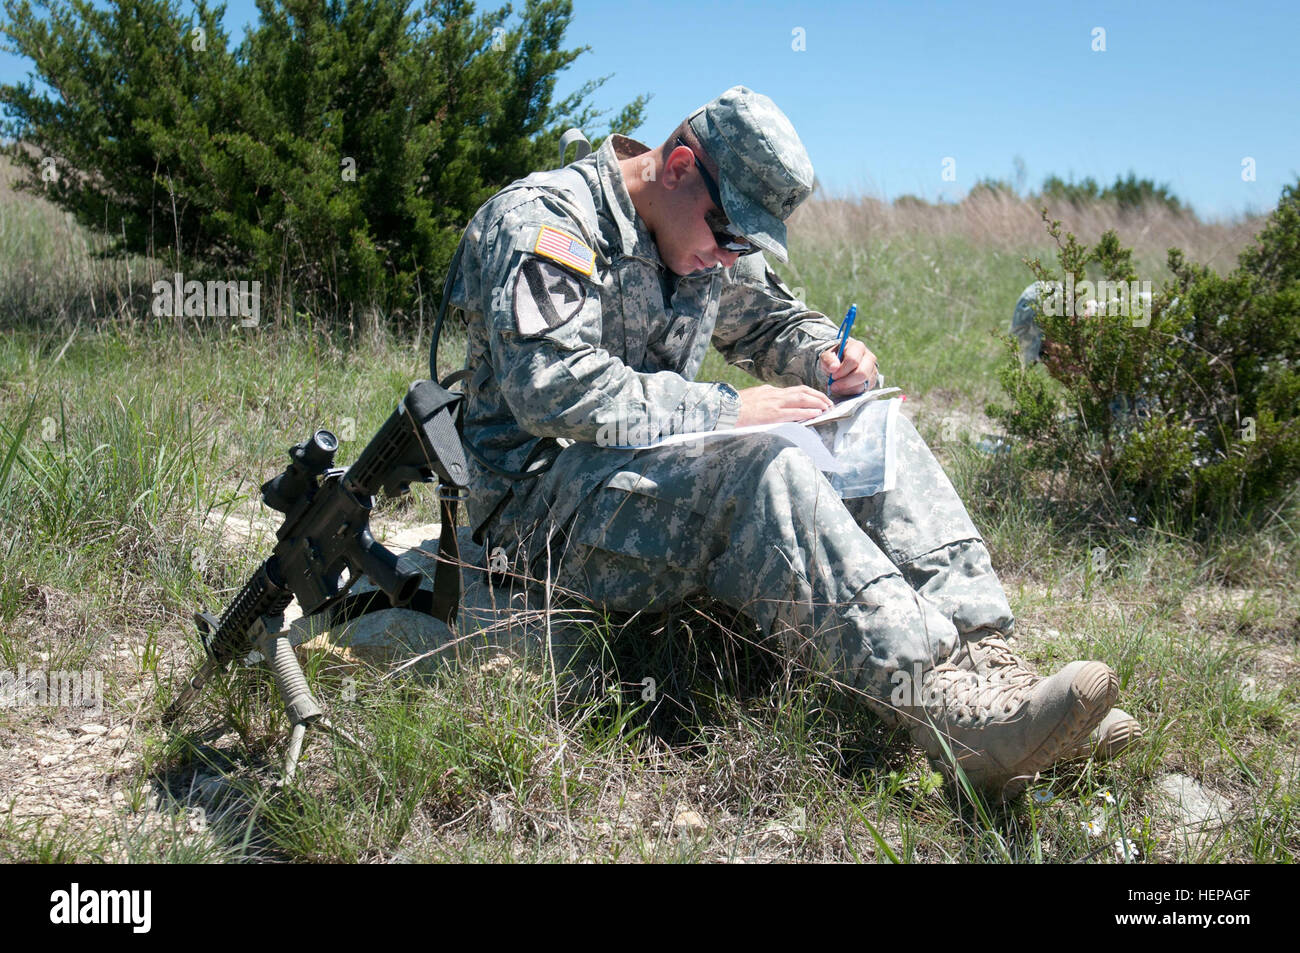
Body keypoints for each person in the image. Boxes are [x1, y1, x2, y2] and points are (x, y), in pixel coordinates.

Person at [440, 86, 1139, 797]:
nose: (728, 255)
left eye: (744, 242)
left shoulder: (703, 230)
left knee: (874, 426)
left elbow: (770, 320)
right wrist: (724, 411)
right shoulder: (545, 219)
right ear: (679, 166)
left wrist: (828, 360)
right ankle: (948, 712)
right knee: (761, 465)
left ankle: (998, 673)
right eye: (727, 234)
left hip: (637, 480)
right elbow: (553, 388)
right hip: (536, 516)